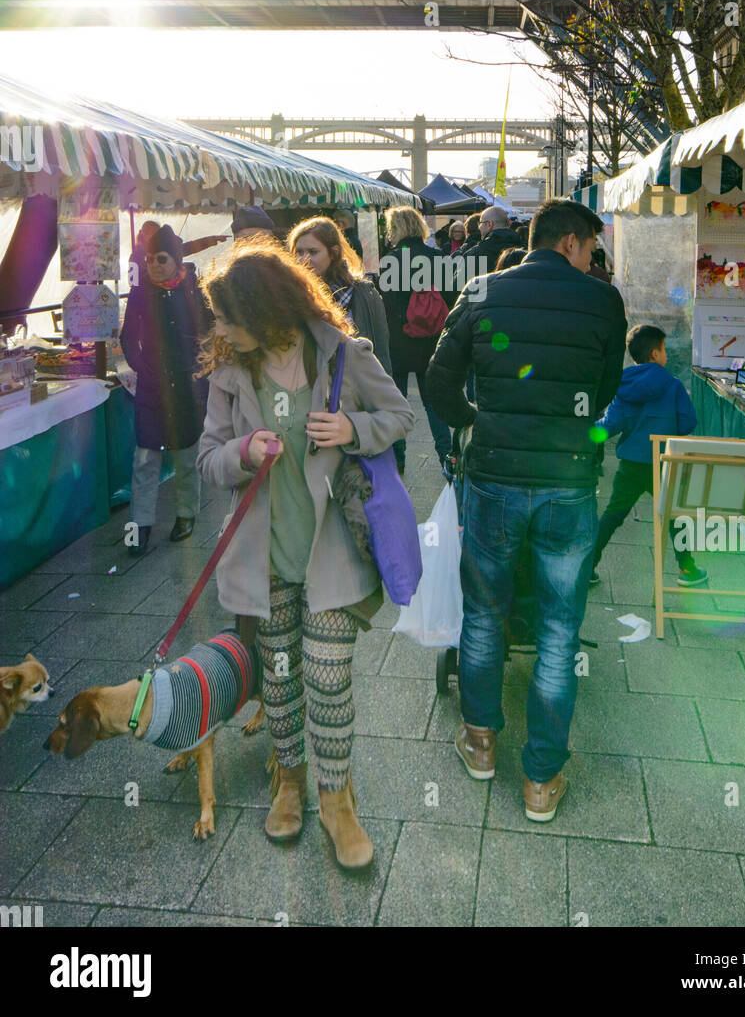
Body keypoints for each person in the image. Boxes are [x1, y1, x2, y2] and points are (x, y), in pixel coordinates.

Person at [196, 240, 413, 869]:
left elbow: (399, 414)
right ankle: (288, 781)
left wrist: (353, 429)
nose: (222, 332)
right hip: (263, 559)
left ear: (264, 311)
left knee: (328, 676)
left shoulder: (344, 354)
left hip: (333, 553)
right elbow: (208, 457)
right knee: (282, 676)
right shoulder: (230, 375)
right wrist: (243, 453)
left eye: (229, 319)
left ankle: (336, 799)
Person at [426, 198, 627, 823]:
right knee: (560, 632)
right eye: (592, 248)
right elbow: (605, 391)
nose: (593, 258)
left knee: (484, 616)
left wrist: (476, 422)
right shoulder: (603, 302)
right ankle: (541, 778)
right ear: (569, 242)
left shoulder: (482, 292)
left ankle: (481, 742)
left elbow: (437, 384)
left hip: (494, 479)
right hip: (568, 481)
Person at [120, 225, 211, 556]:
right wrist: (141, 366)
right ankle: (138, 528)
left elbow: (209, 331)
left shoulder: (194, 289)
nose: (154, 265)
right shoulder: (141, 292)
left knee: (187, 455)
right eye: (149, 259)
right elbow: (128, 337)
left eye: (161, 259)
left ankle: (187, 515)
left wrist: (200, 367)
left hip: (187, 386)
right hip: (152, 388)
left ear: (177, 260)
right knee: (145, 458)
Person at [589, 323, 704, 587]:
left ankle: (587, 567)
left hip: (631, 464)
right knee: (675, 514)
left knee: (613, 515)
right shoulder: (673, 386)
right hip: (664, 463)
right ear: (655, 353)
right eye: (664, 349)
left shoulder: (624, 385)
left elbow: (609, 427)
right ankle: (687, 570)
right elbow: (688, 423)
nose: (666, 355)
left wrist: (584, 435)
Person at [378, 205, 453, 475]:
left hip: (398, 342)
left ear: (396, 229)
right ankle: (447, 457)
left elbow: (385, 305)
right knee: (433, 404)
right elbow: (451, 300)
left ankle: (398, 461)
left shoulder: (390, 259)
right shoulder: (438, 256)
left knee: (397, 404)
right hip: (431, 342)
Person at [288, 215, 392, 373]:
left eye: (313, 252)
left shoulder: (363, 293)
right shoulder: (290, 294)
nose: (304, 259)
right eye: (299, 252)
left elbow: (381, 352)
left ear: (334, 253)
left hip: (354, 384)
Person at [129, 220, 228, 286]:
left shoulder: (166, 249)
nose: (159, 236)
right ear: (145, 234)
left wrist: (213, 239)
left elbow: (190, 247)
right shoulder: (136, 257)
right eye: (156, 233)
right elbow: (133, 283)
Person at [459, 206, 521, 276]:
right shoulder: (523, 250)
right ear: (509, 223)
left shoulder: (475, 254)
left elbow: (458, 285)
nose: (479, 227)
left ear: (489, 224)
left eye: (480, 223)